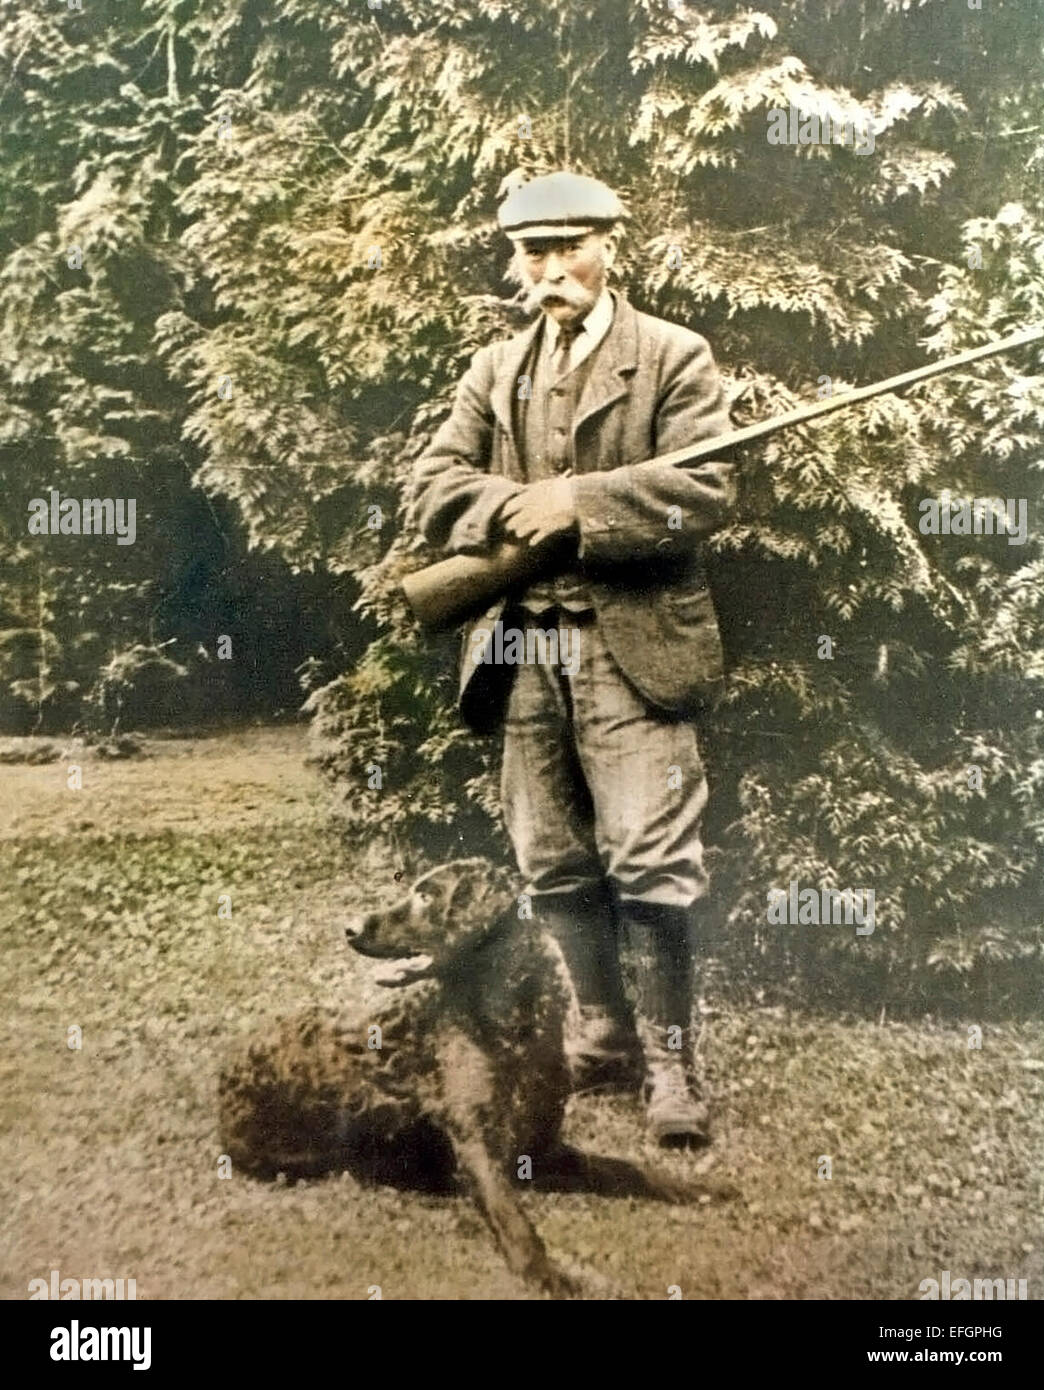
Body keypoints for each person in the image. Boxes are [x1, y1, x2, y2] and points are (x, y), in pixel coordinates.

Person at [410, 171, 735, 1145]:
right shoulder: (495, 370)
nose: (552, 270)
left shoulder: (673, 357)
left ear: (608, 248)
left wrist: (582, 505)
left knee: (649, 855)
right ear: (516, 265)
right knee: (547, 856)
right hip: (516, 644)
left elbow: (705, 491)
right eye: (533, 255)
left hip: (632, 643)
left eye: (570, 249)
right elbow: (428, 479)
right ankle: (602, 1029)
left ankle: (671, 1057)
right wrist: (510, 508)